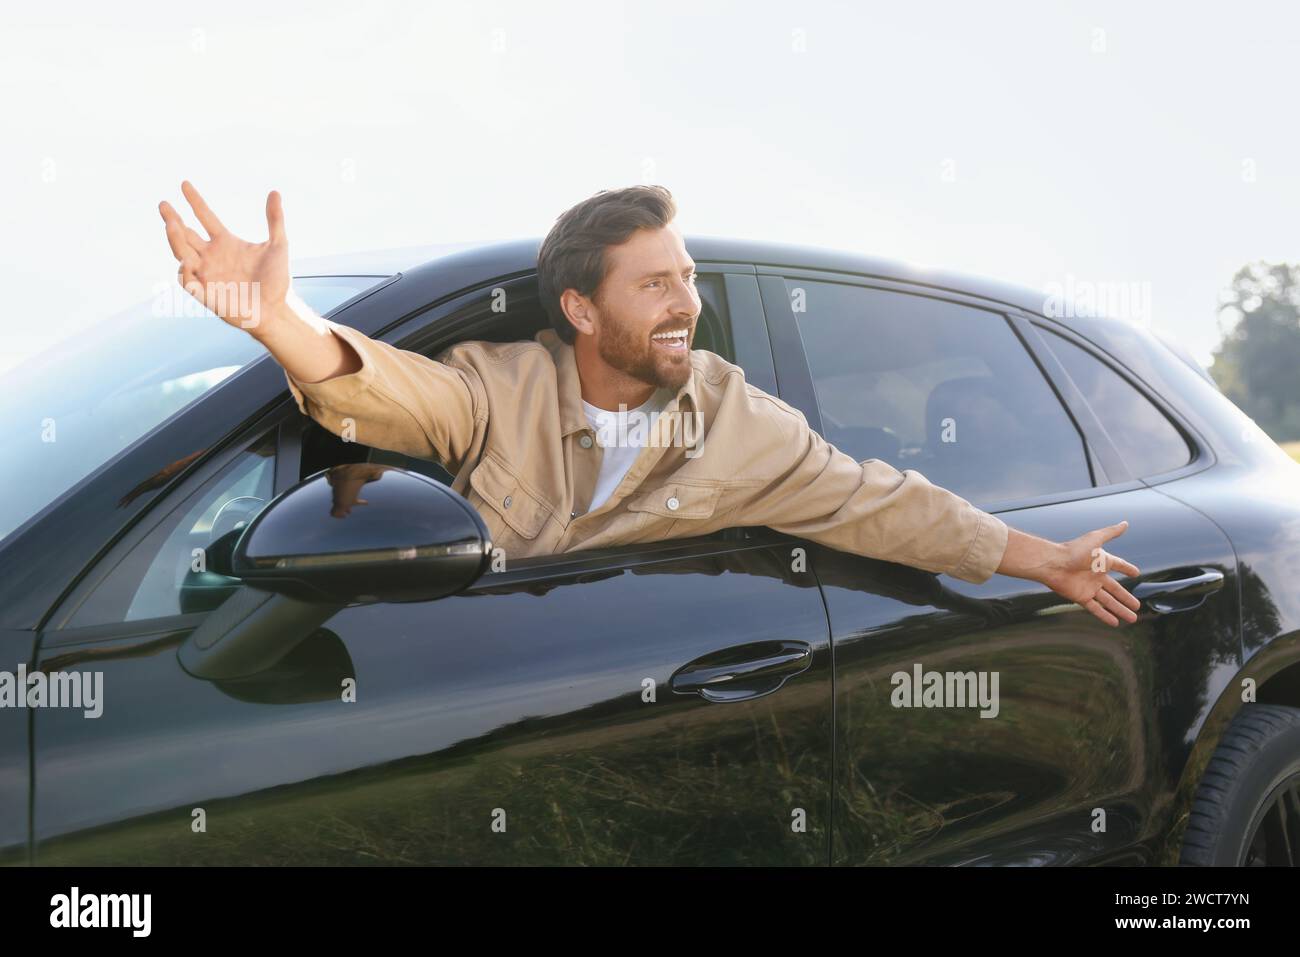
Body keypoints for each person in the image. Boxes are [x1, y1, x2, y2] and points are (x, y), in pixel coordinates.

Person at [158, 181, 1143, 627]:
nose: (687, 303)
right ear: (580, 308)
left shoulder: (740, 421)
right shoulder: (500, 390)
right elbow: (376, 386)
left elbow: (877, 501)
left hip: (643, 693)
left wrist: (1038, 557)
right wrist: (274, 317)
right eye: (656, 285)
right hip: (494, 684)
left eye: (689, 277)